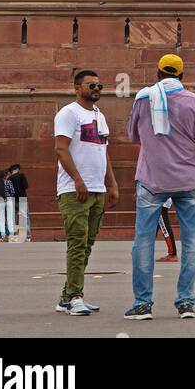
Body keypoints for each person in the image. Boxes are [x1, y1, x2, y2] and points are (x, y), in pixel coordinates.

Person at [125, 53, 195, 321]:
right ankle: (186, 302)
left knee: (143, 241)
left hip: (153, 180)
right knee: (191, 242)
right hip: (188, 182)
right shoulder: (194, 101)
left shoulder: (144, 98)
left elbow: (132, 134)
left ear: (157, 74)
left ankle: (143, 304)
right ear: (182, 76)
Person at [54, 69, 119, 316]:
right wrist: (78, 181)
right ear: (77, 88)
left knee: (87, 244)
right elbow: (61, 149)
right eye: (91, 85)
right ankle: (75, 297)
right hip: (74, 189)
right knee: (78, 243)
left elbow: (103, 151)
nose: (96, 89)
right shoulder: (69, 113)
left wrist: (111, 184)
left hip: (96, 188)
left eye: (99, 86)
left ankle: (65, 297)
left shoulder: (99, 115)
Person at [7, 163, 31, 242]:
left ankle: (13, 235)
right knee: (24, 217)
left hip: (13, 200)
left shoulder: (9, 178)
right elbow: (26, 186)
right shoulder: (22, 175)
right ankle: (27, 236)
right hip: (22, 199)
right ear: (17, 169)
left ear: (11, 171)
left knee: (13, 217)